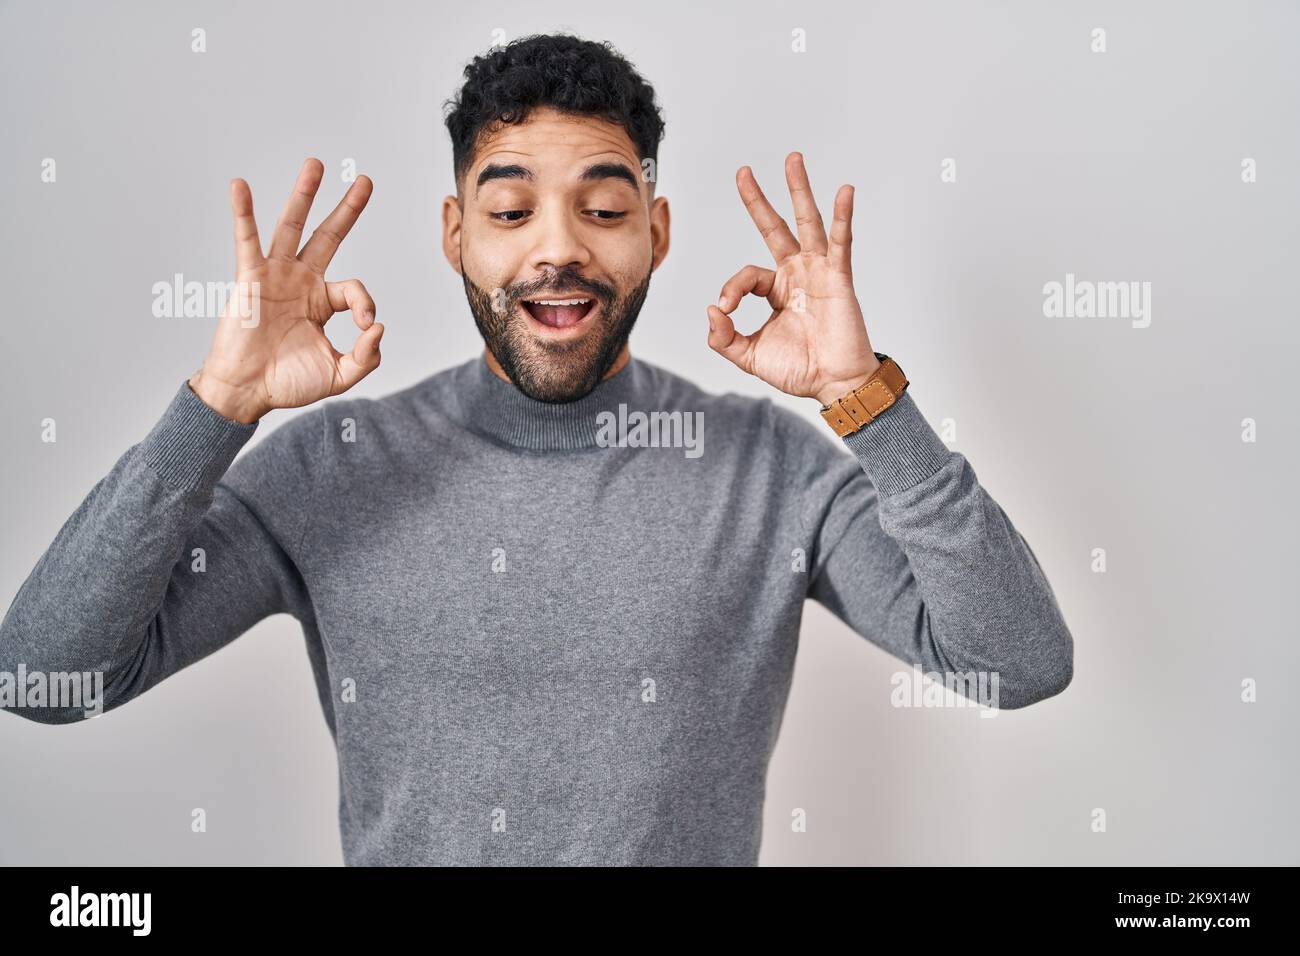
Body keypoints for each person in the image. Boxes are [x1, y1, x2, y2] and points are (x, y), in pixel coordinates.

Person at [0, 33, 1072, 865]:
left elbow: (1016, 663)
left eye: (602, 206)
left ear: (654, 230)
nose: (558, 245)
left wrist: (864, 398)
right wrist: (217, 405)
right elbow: (43, 677)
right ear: (455, 233)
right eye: (511, 208)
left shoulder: (771, 471)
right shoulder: (334, 464)